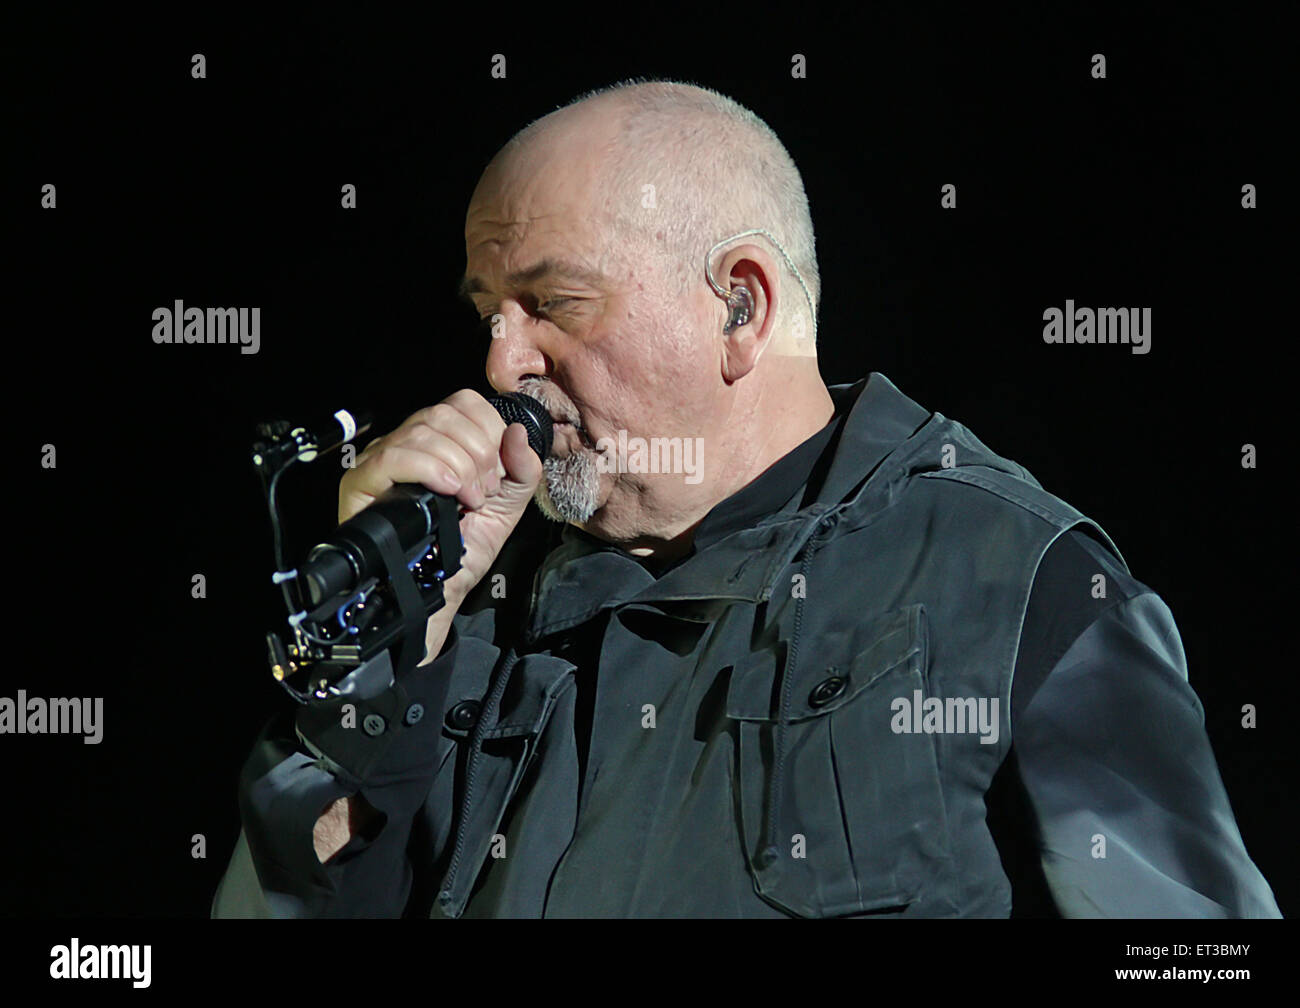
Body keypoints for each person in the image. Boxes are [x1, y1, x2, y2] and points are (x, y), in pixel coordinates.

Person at [212, 80, 1280, 918]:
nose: (501, 363)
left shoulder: (1012, 579)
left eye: (554, 303)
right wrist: (382, 648)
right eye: (489, 311)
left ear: (740, 306)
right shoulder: (469, 599)